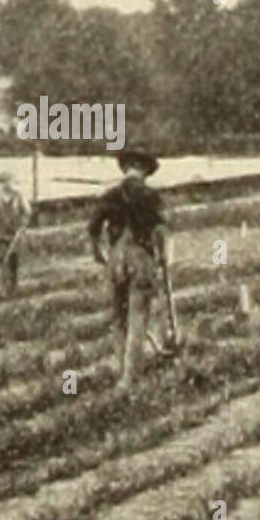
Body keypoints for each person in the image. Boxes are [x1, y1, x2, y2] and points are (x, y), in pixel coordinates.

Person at [87, 150, 170, 386]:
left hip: (115, 261)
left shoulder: (109, 195)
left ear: (125, 169)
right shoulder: (151, 197)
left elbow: (92, 229)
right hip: (140, 258)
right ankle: (129, 377)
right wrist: (163, 259)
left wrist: (99, 255)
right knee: (138, 317)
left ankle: (122, 369)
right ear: (144, 170)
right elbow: (161, 230)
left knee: (119, 318)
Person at [0, 170, 31, 298]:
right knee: (1, 260)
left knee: (12, 261)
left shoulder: (18, 196)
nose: (5, 186)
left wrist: (22, 225)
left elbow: (26, 212)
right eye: (3, 183)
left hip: (15, 234)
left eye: (7, 183)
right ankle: (3, 288)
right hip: (2, 233)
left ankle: (12, 288)